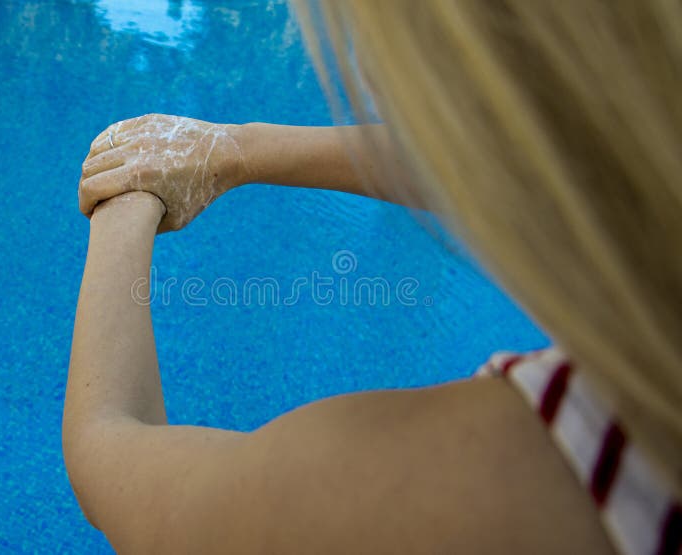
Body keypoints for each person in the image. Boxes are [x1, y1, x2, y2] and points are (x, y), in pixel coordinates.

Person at [64, 2, 681, 553]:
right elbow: (553, 161)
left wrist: (127, 195)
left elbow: (113, 446)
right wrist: (237, 149)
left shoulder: (527, 478)